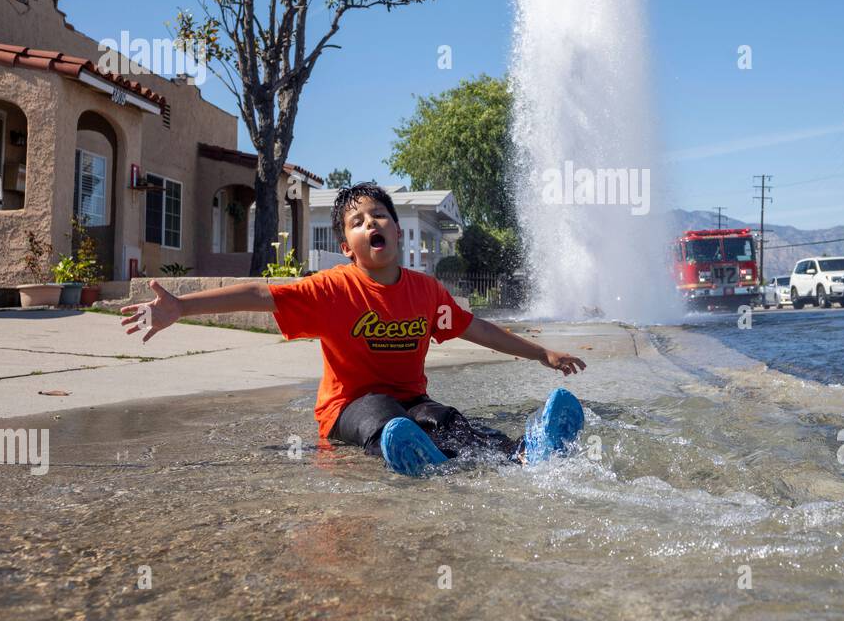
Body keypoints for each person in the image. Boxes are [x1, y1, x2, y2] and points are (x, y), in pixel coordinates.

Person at [120, 184, 587, 475]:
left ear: (399, 231)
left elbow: (478, 329)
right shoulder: (331, 289)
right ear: (347, 246)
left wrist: (540, 353)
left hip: (412, 399)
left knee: (443, 418)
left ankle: (524, 451)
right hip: (346, 408)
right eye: (357, 222)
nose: (371, 224)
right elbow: (261, 295)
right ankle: (414, 455)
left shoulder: (426, 292)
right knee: (385, 414)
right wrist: (180, 306)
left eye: (379, 216)